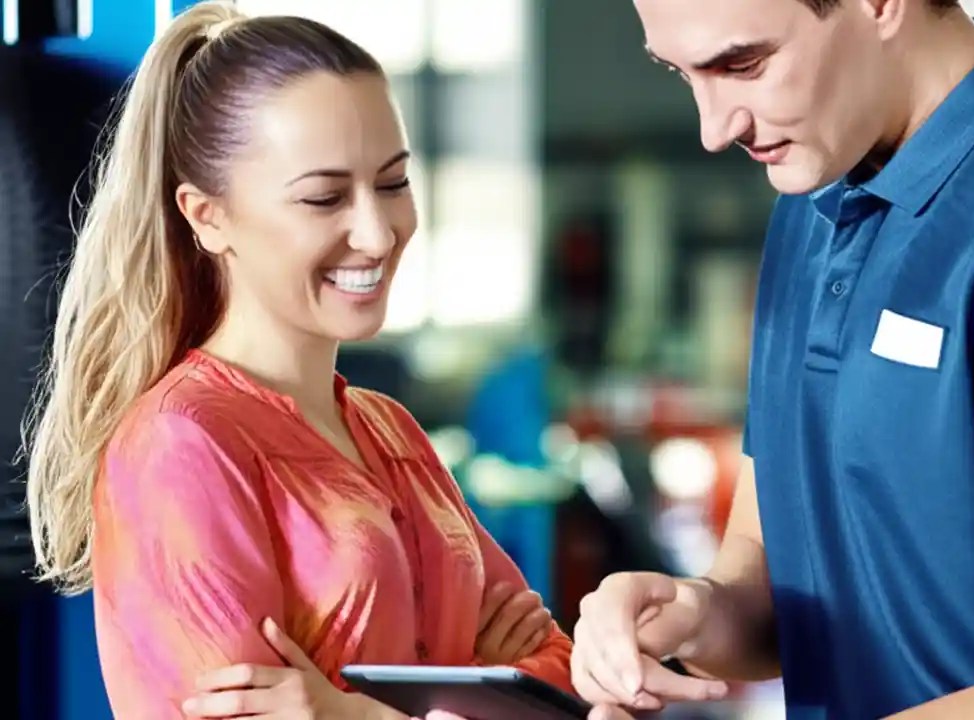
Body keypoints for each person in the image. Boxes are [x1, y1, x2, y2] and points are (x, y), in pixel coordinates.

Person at [571, 1, 974, 719]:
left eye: (742, 65)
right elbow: (777, 582)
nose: (714, 127)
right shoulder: (815, 201)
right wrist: (690, 613)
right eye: (682, 73)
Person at [21, 2, 572, 717]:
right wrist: (475, 689)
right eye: (323, 197)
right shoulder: (182, 442)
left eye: (394, 182)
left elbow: (557, 679)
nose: (377, 233)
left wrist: (353, 712)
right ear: (205, 215)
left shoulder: (389, 429)